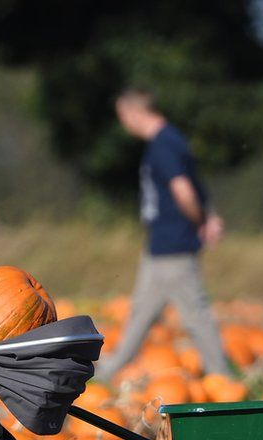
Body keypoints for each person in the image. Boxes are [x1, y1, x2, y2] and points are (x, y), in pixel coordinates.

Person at [95, 88, 231, 382]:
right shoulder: (170, 140)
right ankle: (107, 373)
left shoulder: (164, 144)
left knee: (195, 314)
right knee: (141, 313)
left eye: (123, 117)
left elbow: (183, 189)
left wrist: (202, 221)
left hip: (174, 245)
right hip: (159, 245)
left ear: (134, 112)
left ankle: (223, 380)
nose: (124, 124)